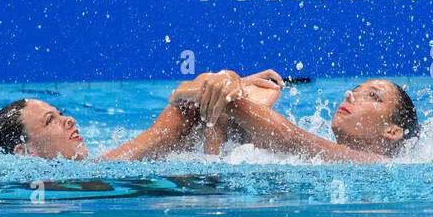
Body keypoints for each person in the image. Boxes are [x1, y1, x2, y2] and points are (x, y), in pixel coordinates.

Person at [0, 69, 285, 160]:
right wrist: (224, 83)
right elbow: (173, 124)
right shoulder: (102, 171)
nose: (69, 120)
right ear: (24, 152)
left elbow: (179, 119)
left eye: (61, 113)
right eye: (50, 121)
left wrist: (224, 85)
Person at [172, 72, 420, 163]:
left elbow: (289, 137)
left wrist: (231, 94)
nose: (350, 95)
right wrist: (231, 83)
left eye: (373, 96)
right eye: (355, 90)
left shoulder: (378, 165)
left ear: (392, 131)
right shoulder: (318, 159)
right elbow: (179, 95)